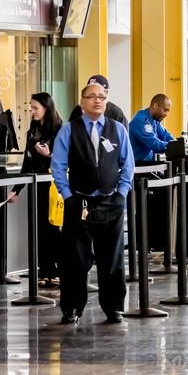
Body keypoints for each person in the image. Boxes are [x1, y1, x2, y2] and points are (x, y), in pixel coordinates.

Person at [51, 83, 135, 325]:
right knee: (75, 258)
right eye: (92, 97)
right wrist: (68, 196)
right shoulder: (69, 130)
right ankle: (72, 308)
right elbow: (58, 166)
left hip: (111, 202)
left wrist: (121, 194)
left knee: (112, 257)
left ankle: (114, 308)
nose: (97, 101)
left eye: (101, 97)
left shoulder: (117, 129)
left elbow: (127, 165)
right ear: (82, 102)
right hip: (79, 201)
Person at [8, 93, 63, 287]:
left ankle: (58, 269)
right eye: (30, 107)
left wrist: (49, 155)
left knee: (52, 228)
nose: (31, 111)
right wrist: (17, 189)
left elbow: (64, 160)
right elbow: (27, 162)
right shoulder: (33, 129)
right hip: (36, 184)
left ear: (46, 107)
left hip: (53, 185)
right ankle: (44, 269)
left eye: (35, 108)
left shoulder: (59, 128)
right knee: (38, 228)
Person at [129, 94, 174, 163]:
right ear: (155, 106)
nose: (166, 114)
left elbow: (166, 136)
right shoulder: (141, 120)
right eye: (165, 110)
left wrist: (180, 144)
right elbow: (154, 143)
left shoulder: (155, 121)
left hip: (148, 162)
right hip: (137, 165)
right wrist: (175, 146)